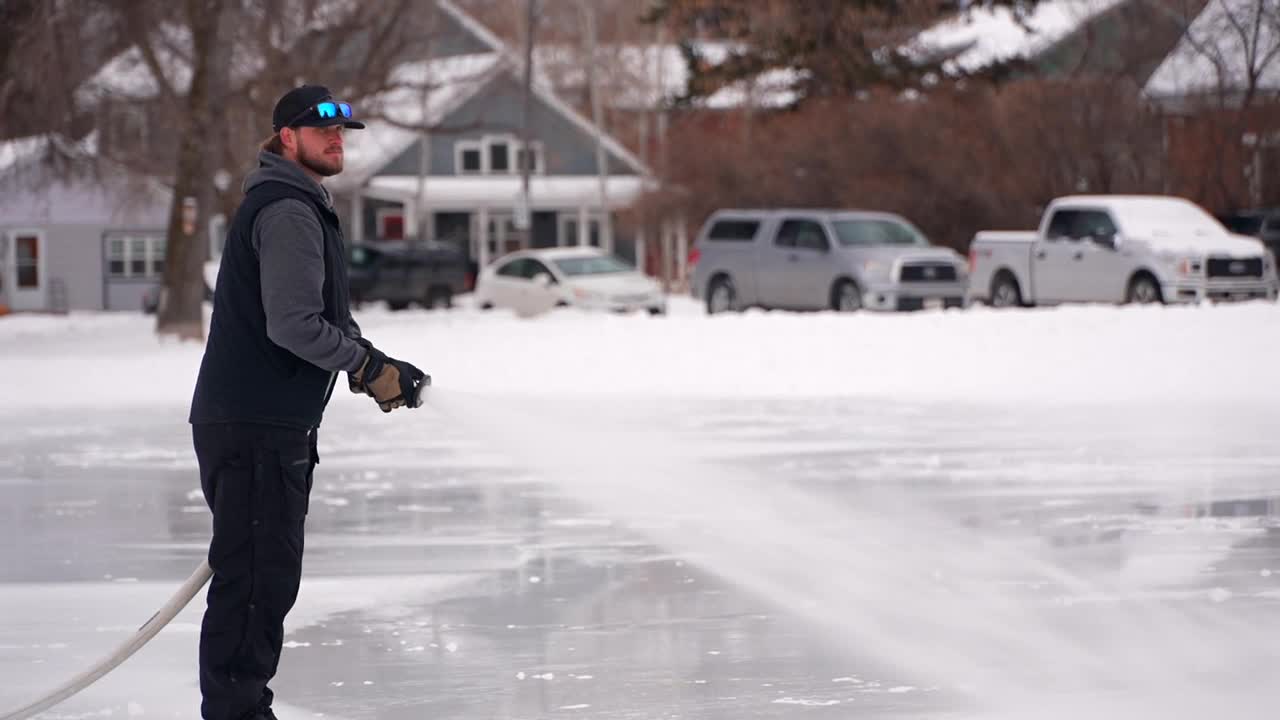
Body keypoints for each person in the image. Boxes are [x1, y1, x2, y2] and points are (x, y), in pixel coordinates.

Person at [189, 85, 427, 720]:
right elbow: (292, 324)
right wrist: (368, 365)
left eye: (342, 132)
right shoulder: (289, 209)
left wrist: (365, 363)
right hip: (255, 430)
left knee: (262, 581)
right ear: (285, 137)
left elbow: (317, 320)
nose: (336, 140)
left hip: (263, 427)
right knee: (253, 588)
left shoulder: (299, 204)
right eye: (320, 130)